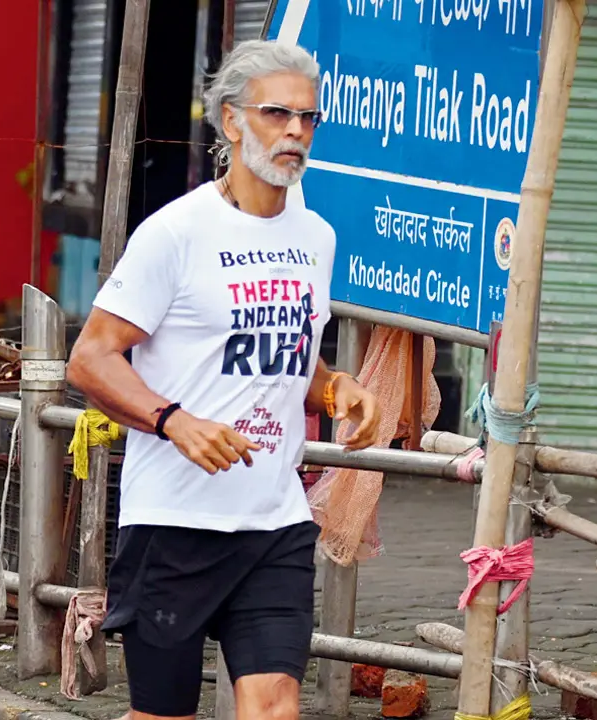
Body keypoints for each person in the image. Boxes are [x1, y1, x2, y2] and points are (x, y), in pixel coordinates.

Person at [66, 40, 381, 720]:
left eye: (308, 119)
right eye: (277, 114)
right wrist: (174, 420)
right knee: (164, 715)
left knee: (274, 705)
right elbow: (90, 359)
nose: (295, 132)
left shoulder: (317, 237)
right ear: (233, 122)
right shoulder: (175, 233)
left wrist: (333, 388)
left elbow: (287, 348)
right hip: (174, 523)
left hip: (274, 522)